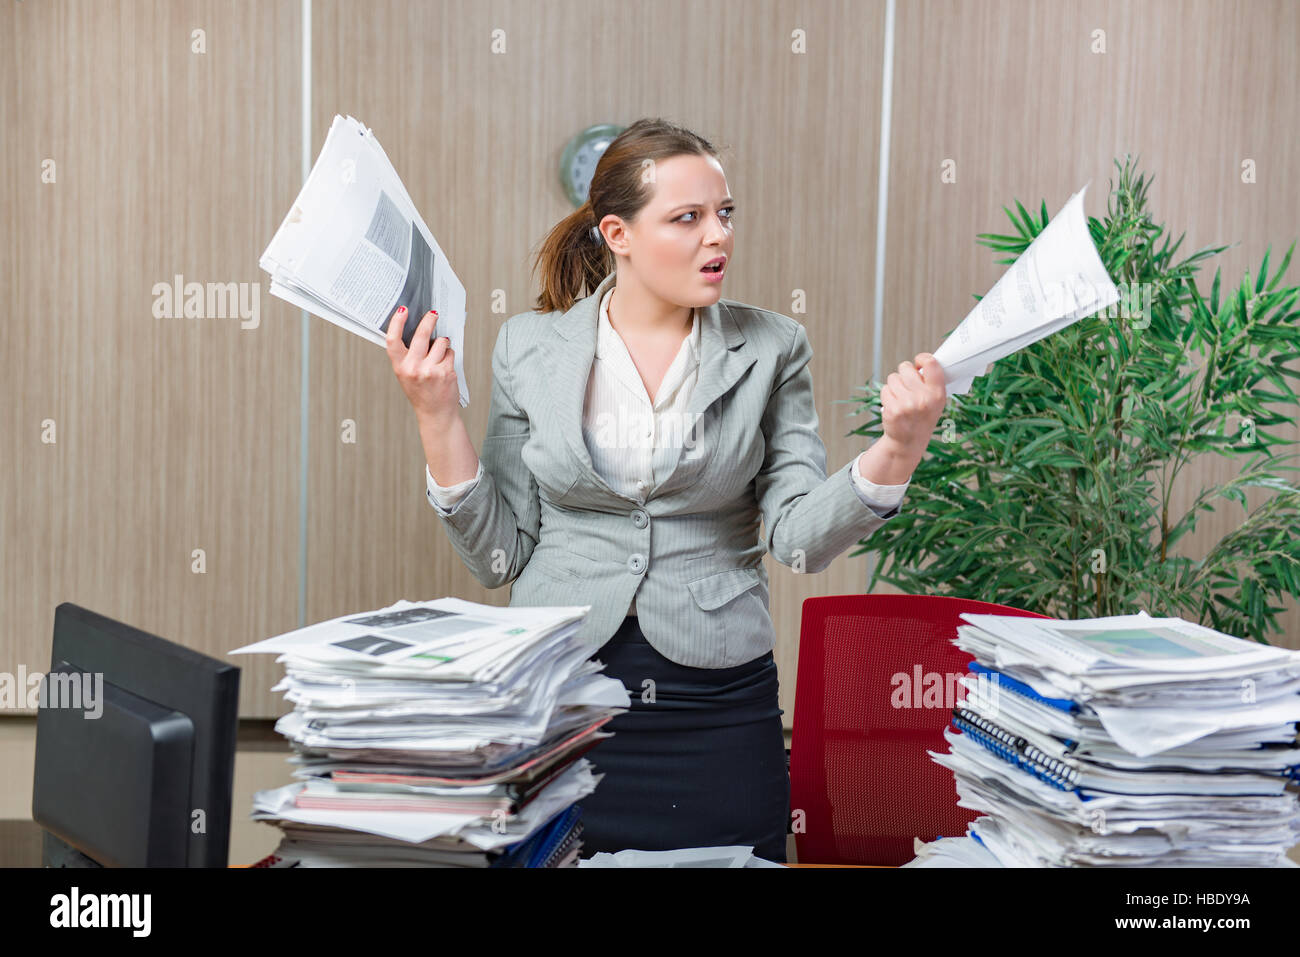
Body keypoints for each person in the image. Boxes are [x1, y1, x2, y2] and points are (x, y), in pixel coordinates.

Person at [385, 118, 947, 862]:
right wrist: (435, 414)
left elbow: (799, 539)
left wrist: (897, 448)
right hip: (558, 698)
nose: (718, 236)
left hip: (716, 708)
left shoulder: (773, 347)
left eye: (725, 213)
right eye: (687, 218)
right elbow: (498, 553)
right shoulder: (529, 345)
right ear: (617, 232)